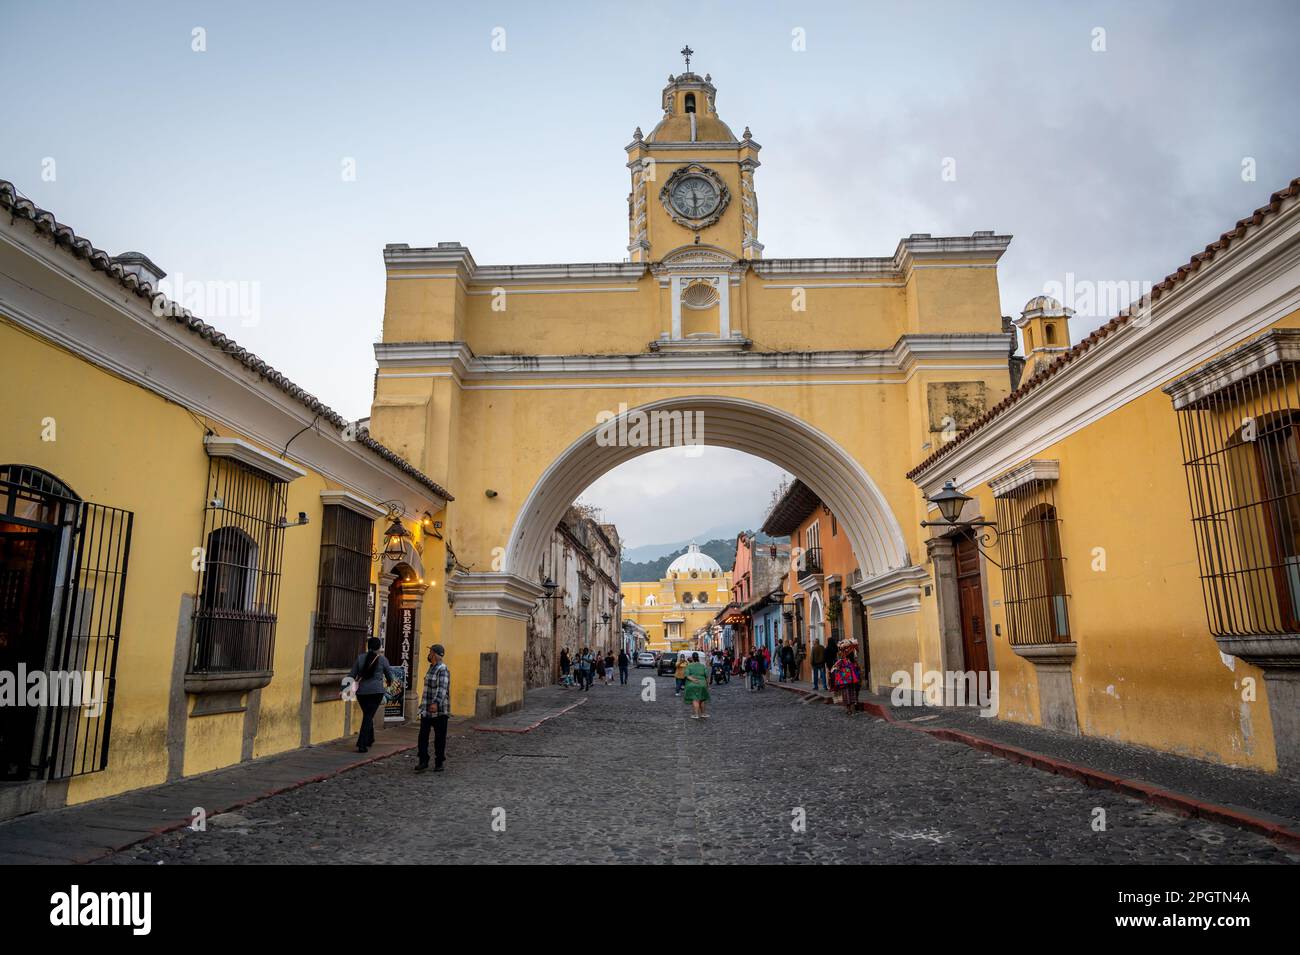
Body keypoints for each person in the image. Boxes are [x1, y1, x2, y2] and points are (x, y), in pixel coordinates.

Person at [347, 636, 393, 753]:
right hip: (376, 692)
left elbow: (352, 674)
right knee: (368, 716)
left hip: (362, 692)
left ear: (368, 646)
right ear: (379, 647)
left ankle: (370, 738)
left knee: (368, 714)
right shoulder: (383, 660)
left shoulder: (360, 658)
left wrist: (346, 688)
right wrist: (388, 682)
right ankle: (362, 743)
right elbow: (389, 676)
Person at [415, 643, 450, 772]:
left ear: (434, 654)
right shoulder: (431, 668)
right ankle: (423, 760)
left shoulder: (442, 669)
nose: (428, 655)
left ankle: (439, 761)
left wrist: (436, 703)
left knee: (439, 738)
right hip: (426, 709)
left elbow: (442, 688)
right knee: (422, 736)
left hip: (439, 710)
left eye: (430, 652)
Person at [831, 644, 861, 715]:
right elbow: (858, 669)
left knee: (848, 694)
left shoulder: (844, 661)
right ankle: (851, 709)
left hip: (847, 681)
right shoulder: (849, 661)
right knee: (851, 693)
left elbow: (833, 668)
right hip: (850, 681)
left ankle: (850, 709)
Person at [684, 651, 711, 719]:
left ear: (692, 658)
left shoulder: (689, 666)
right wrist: (707, 685)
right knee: (702, 699)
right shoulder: (702, 666)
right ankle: (703, 714)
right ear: (698, 658)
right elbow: (707, 676)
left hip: (692, 685)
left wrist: (693, 680)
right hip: (702, 684)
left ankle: (696, 715)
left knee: (695, 699)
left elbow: (687, 675)